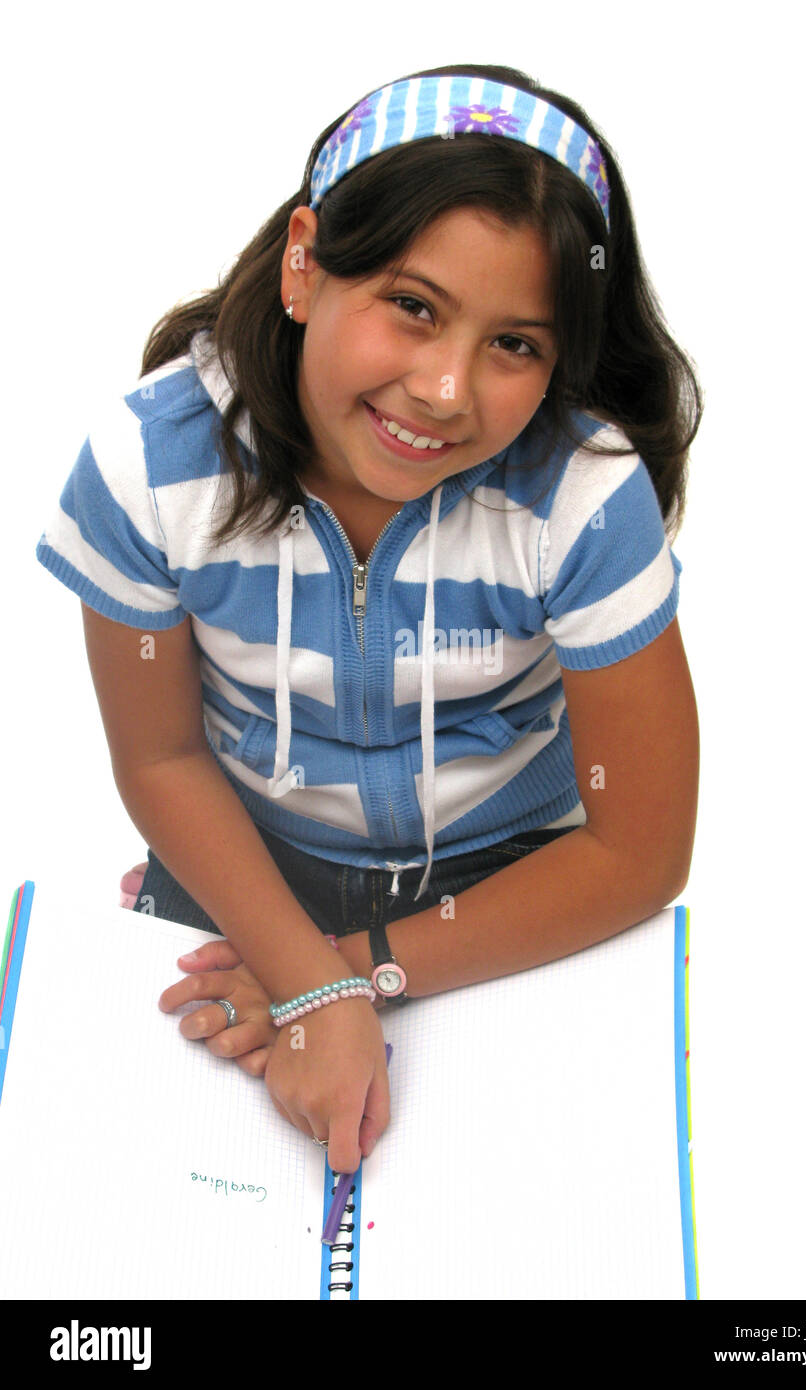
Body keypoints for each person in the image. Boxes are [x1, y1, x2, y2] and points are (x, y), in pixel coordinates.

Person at [35, 63, 701, 1177]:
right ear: (305, 261)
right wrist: (300, 968)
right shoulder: (149, 466)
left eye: (515, 344)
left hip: (515, 874)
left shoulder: (582, 498)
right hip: (243, 859)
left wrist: (351, 975)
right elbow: (158, 753)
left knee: (513, 1179)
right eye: (412, 306)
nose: (445, 389)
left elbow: (637, 847)